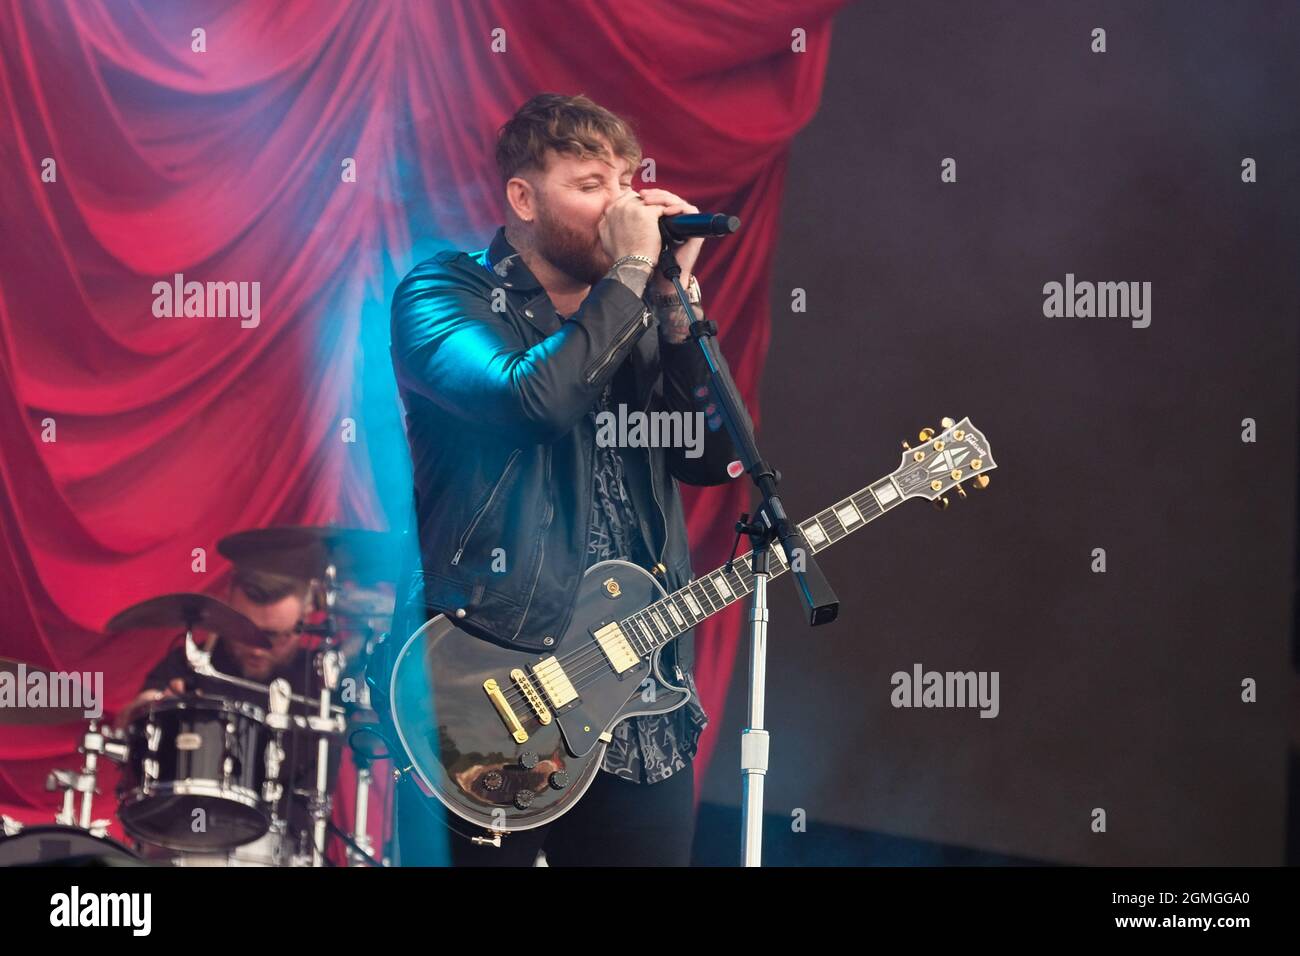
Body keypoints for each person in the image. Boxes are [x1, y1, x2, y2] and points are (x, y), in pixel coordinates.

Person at [388, 92, 746, 866]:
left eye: (625, 181)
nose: (620, 202)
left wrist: (675, 311)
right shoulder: (442, 295)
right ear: (523, 197)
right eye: (591, 184)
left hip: (635, 694)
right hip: (489, 689)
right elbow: (532, 401)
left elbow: (716, 460)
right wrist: (627, 274)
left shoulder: (641, 309)